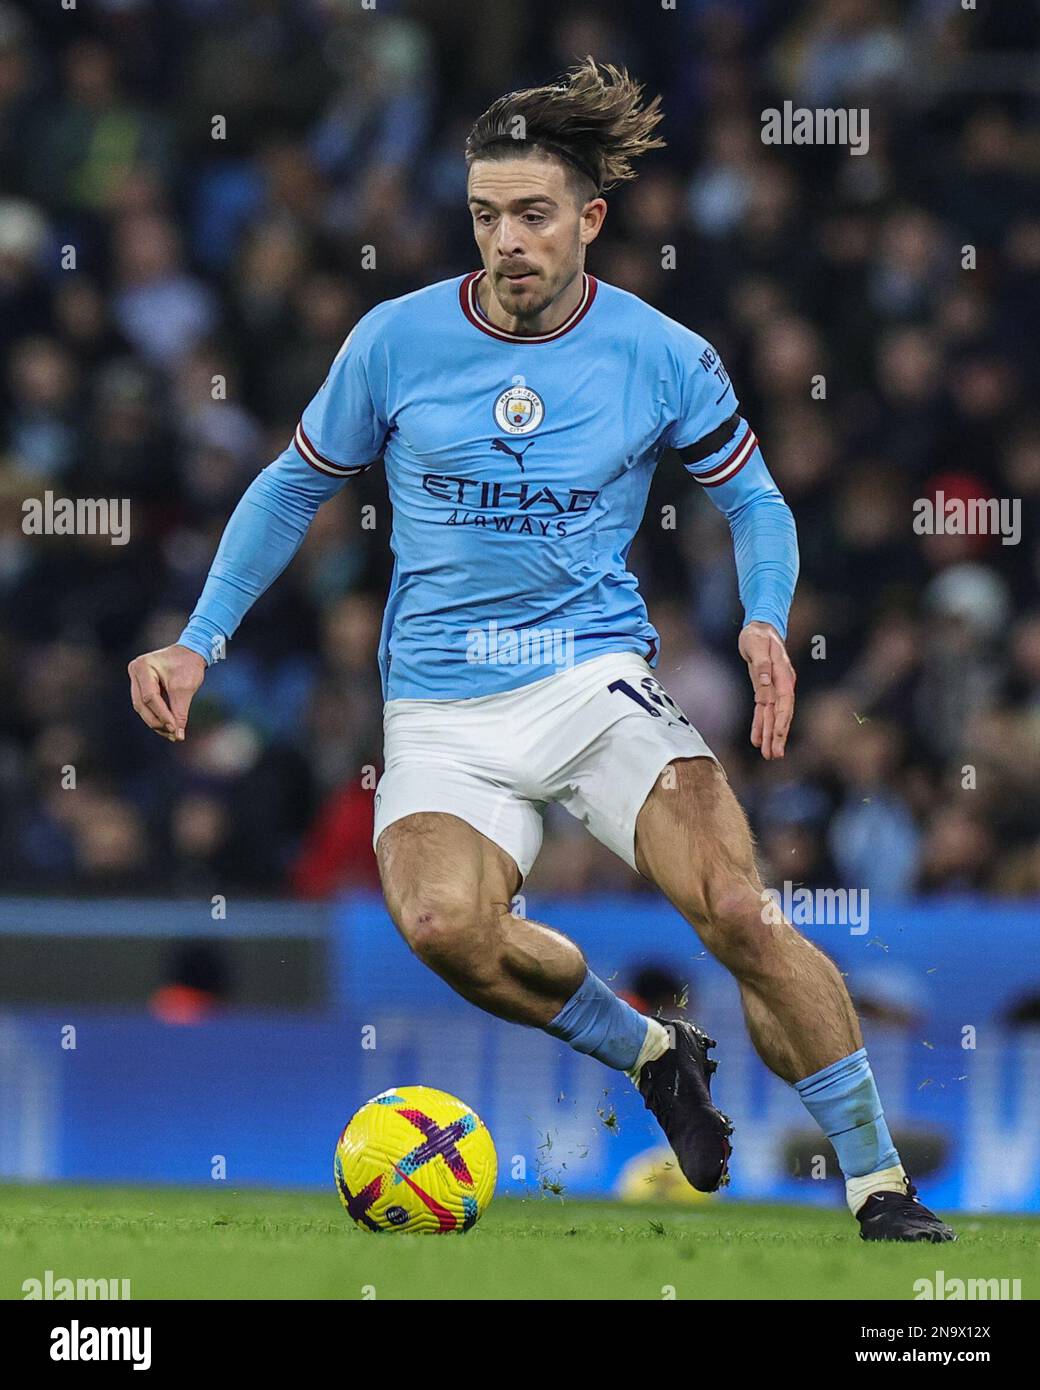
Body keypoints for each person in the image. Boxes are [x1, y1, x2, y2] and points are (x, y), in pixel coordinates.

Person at [128, 59, 952, 1241]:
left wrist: (764, 616)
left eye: (530, 214)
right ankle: (655, 1053)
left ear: (587, 221)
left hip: (592, 681)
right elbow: (289, 483)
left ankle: (876, 1183)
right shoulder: (394, 340)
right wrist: (198, 640)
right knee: (441, 927)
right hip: (442, 708)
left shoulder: (660, 351)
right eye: (483, 215)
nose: (505, 240)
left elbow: (758, 502)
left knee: (735, 908)